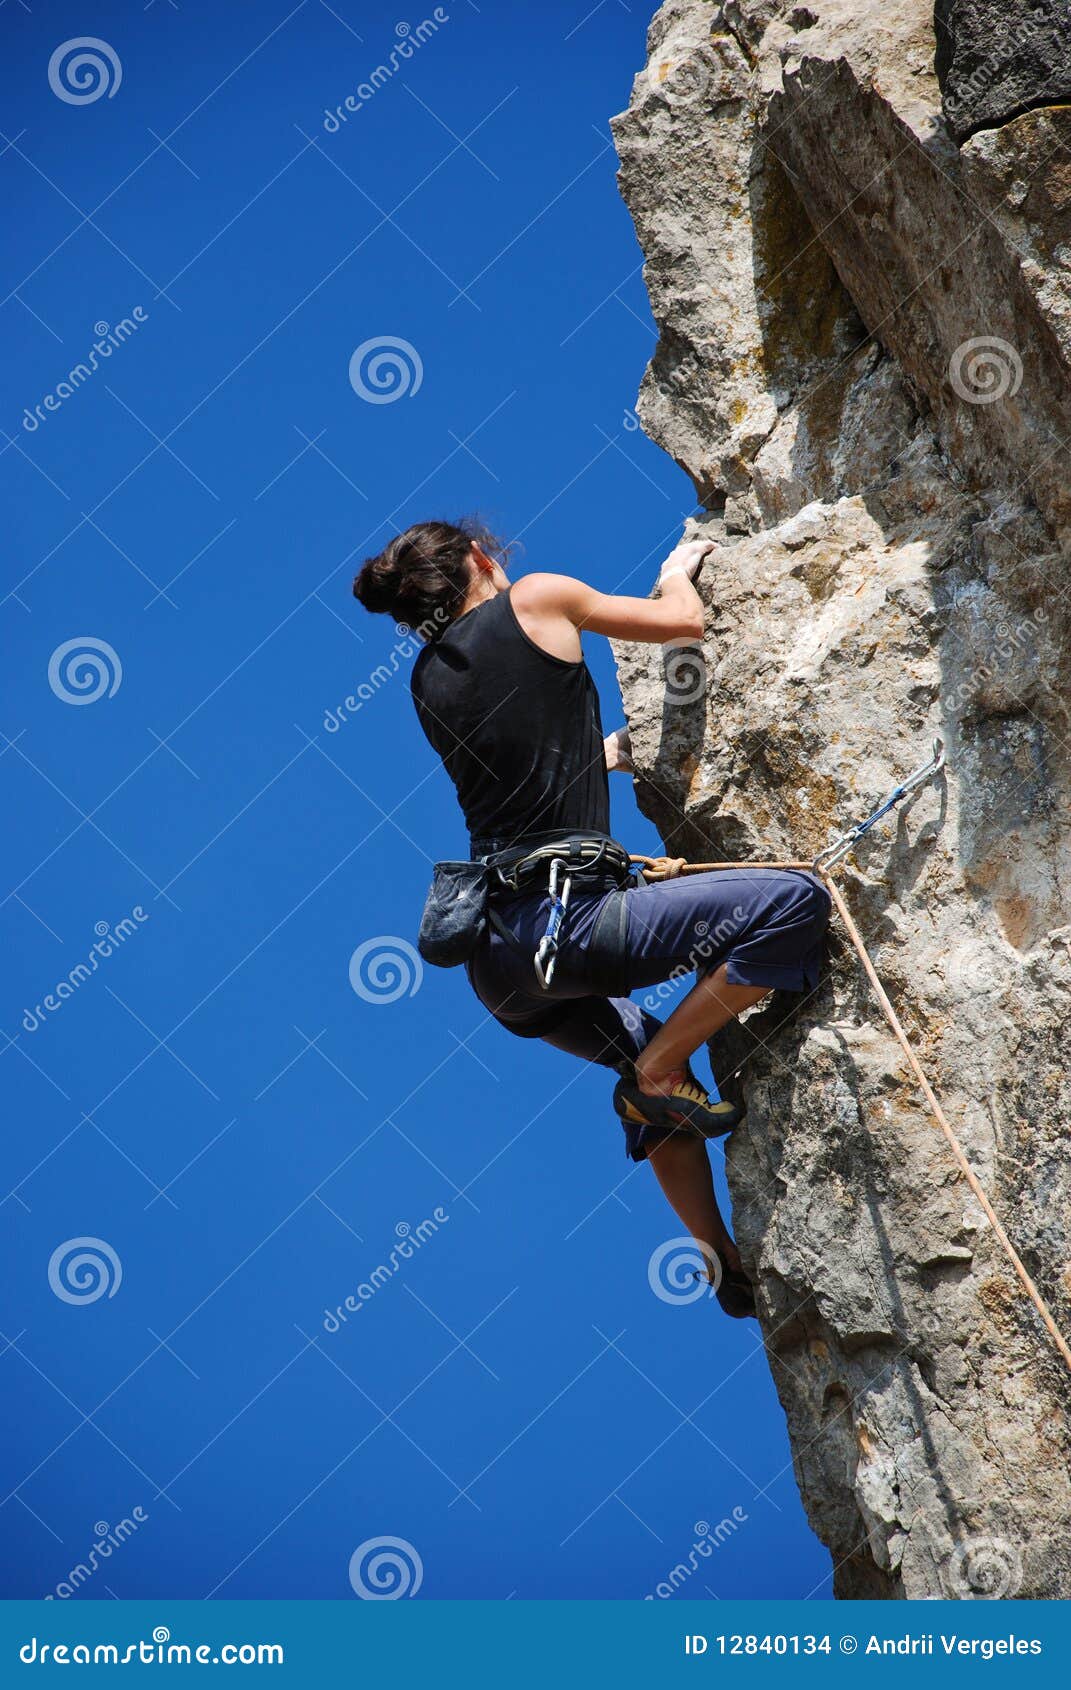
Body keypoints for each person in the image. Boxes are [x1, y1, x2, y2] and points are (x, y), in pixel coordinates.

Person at [353, 518, 831, 1318]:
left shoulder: (425, 679)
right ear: (480, 559)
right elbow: (681, 623)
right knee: (792, 902)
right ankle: (659, 1073)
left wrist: (606, 753)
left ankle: (717, 1253)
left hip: (498, 962)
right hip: (568, 924)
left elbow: (519, 766)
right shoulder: (538, 598)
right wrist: (677, 569)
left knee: (635, 1051)